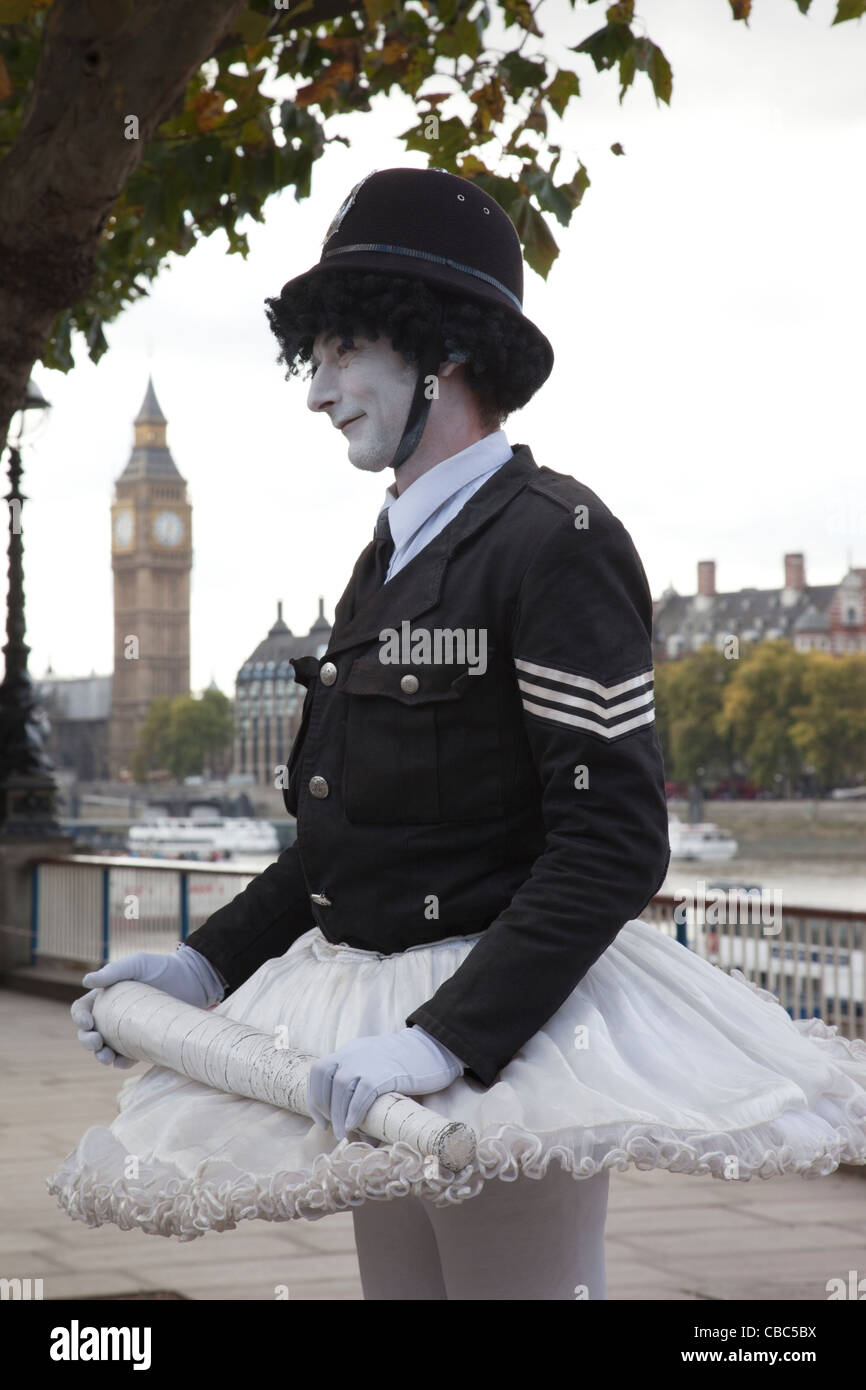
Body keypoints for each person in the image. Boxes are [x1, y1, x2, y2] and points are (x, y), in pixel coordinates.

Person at [48, 167, 866, 1301]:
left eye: (343, 352)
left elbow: (615, 842)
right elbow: (350, 845)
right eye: (315, 356)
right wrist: (204, 961)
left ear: (441, 354)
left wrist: (446, 1040)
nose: (317, 391)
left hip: (509, 1035)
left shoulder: (554, 541)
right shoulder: (384, 560)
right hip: (379, 1020)